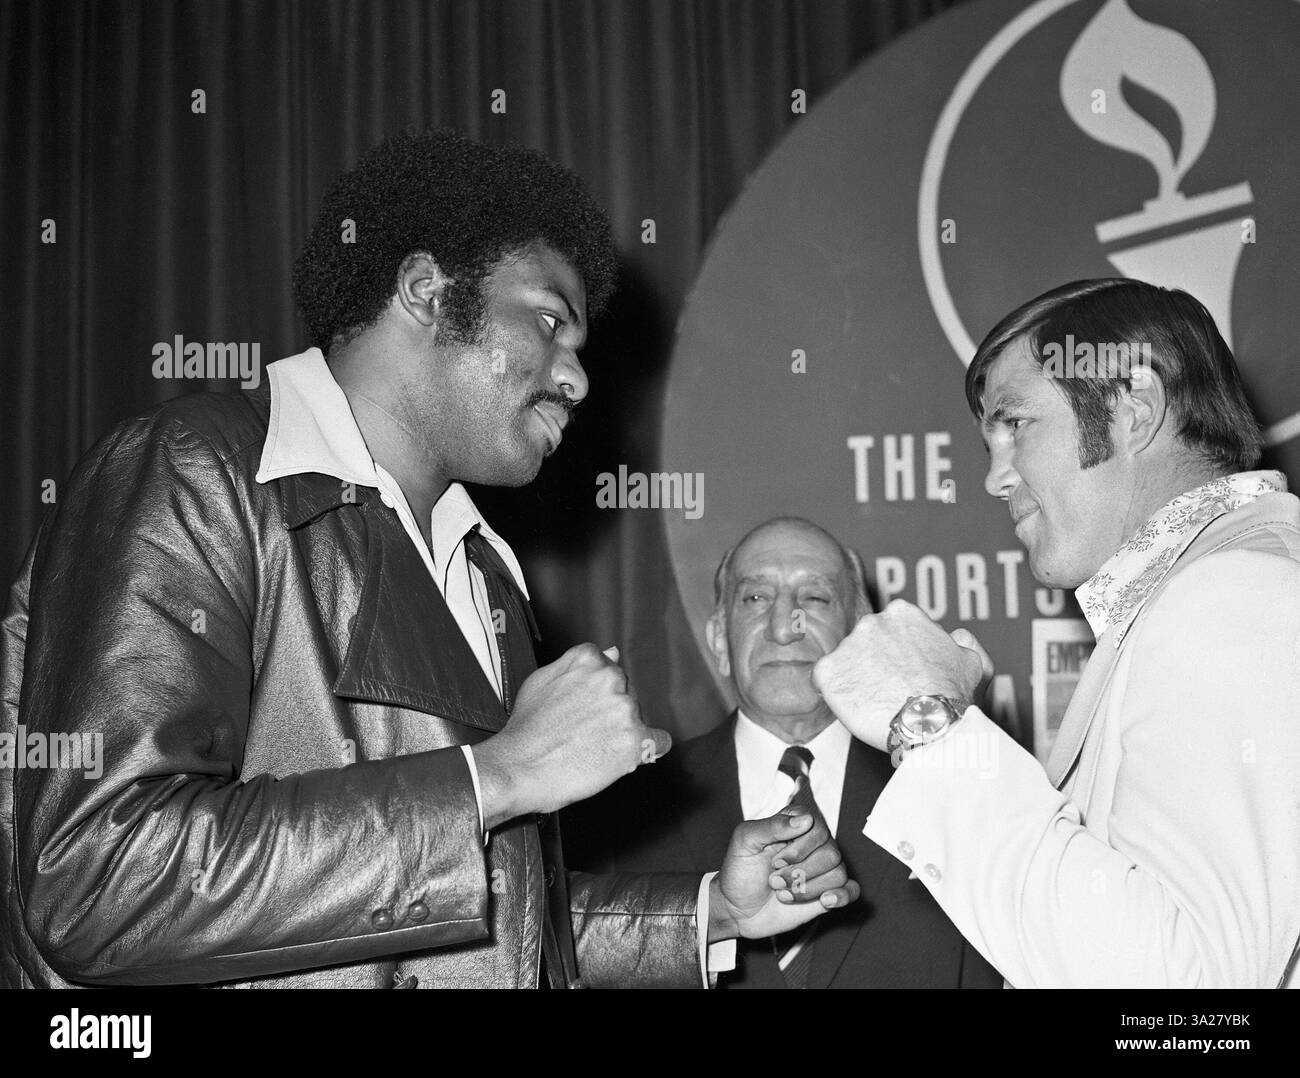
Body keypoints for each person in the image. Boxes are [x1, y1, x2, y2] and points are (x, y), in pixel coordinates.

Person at [0, 129, 857, 990]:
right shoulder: (190, 471)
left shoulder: (483, 568)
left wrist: (712, 914)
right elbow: (98, 877)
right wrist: (497, 773)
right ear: (424, 291)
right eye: (551, 321)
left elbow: (482, 918)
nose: (578, 379)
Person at [813, 278, 1300, 988]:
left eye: (1016, 425)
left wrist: (932, 728)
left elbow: (1186, 999)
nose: (994, 478)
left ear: (1135, 409)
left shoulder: (1230, 597)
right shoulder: (1207, 593)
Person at [565, 516, 1002, 988]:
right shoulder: (625, 809)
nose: (783, 627)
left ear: (859, 633)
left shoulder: (949, 785)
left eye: (814, 598)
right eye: (755, 598)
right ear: (718, 639)